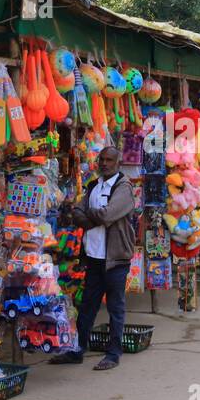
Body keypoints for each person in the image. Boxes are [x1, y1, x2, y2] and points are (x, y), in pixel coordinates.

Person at [50, 146, 135, 370]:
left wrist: (90, 215)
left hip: (115, 259)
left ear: (118, 163)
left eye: (109, 160)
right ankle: (77, 350)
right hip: (94, 257)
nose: (104, 163)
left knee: (115, 307)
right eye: (102, 159)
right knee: (87, 305)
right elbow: (76, 212)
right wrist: (92, 216)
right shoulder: (94, 186)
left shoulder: (124, 188)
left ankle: (113, 354)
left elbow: (108, 215)